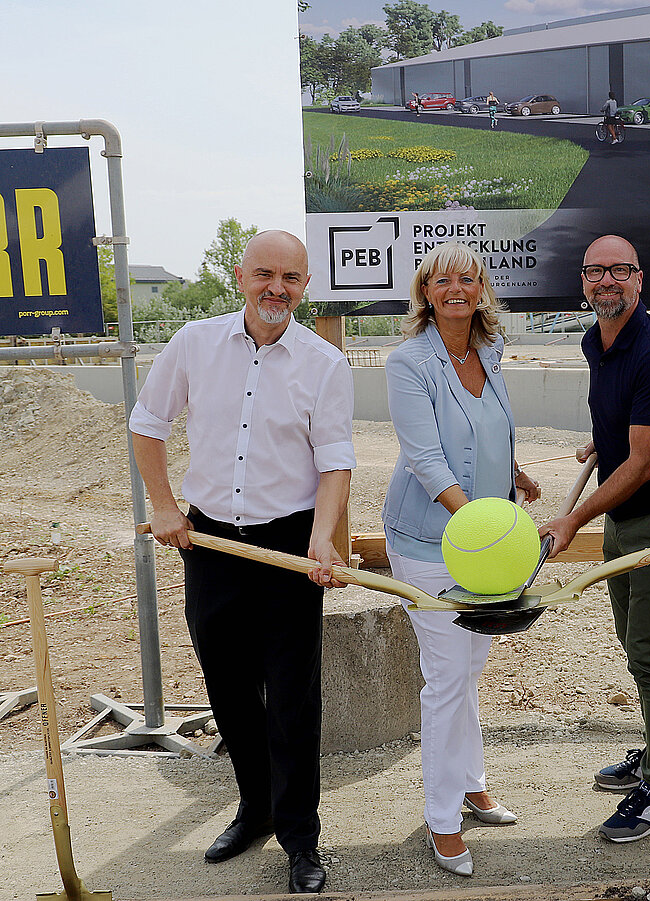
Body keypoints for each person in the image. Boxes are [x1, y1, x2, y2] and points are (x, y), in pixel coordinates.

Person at [129, 230, 355, 894]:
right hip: (210, 546)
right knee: (228, 689)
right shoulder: (194, 343)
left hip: (287, 548)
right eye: (264, 274)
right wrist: (165, 506)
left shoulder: (324, 364)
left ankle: (300, 837)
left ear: (304, 285)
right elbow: (147, 423)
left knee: (291, 699)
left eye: (291, 278)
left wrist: (322, 538)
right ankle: (255, 809)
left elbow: (334, 462)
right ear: (241, 276)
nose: (276, 288)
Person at [383, 241, 541, 877]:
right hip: (431, 543)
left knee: (469, 666)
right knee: (447, 677)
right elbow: (426, 458)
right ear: (426, 292)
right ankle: (442, 817)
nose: (456, 288)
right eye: (442, 279)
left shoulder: (490, 350)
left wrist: (513, 474)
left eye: (467, 278)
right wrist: (481, 524)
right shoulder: (407, 362)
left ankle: (471, 783)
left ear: (481, 291)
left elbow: (486, 430)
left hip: (485, 544)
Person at [540, 235, 650, 843]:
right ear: (584, 280)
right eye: (595, 271)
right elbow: (629, 427)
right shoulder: (596, 340)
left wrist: (571, 519)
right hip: (623, 518)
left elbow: (644, 465)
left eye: (619, 270)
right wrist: (605, 437)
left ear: (639, 279)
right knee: (635, 646)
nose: (606, 281)